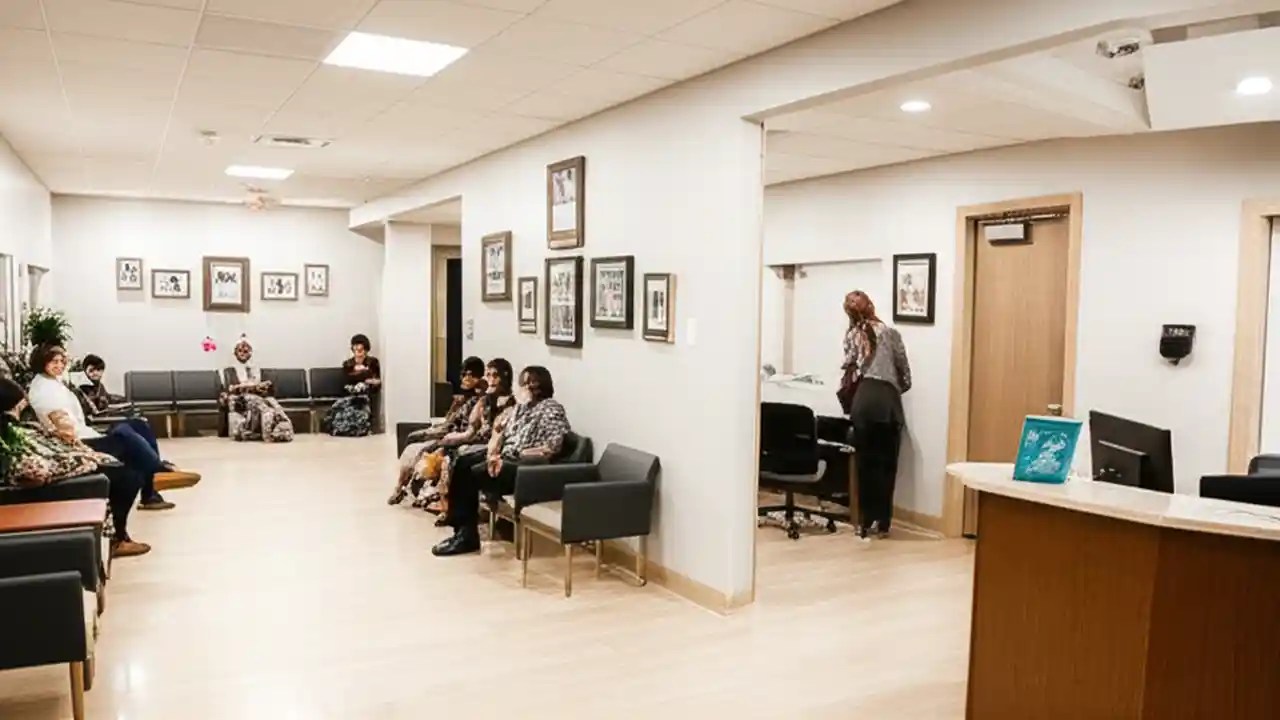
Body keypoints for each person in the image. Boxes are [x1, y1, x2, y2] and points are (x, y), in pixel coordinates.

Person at [26, 344, 200, 512]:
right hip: (79, 442)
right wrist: (81, 446)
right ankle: (155, 473)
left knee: (139, 424)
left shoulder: (55, 382)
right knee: (125, 435)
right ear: (43, 362)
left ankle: (153, 485)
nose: (59, 365)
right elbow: (63, 427)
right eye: (54, 361)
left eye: (61, 361)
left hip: (87, 433)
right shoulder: (43, 389)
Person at [0, 377, 151, 557]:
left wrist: (77, 450)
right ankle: (119, 537)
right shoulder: (8, 437)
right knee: (129, 474)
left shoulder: (17, 428)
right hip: (46, 485)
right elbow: (33, 471)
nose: (20, 410)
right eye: (18, 406)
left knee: (129, 438)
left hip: (68, 459)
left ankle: (154, 474)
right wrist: (82, 463)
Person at [433, 365, 570, 557]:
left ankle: (466, 536)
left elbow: (550, 449)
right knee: (462, 462)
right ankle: (462, 530)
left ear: (536, 386)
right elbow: (500, 432)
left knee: (473, 475)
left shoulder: (551, 409)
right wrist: (493, 453)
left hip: (525, 466)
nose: (522, 387)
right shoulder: (520, 408)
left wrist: (512, 457)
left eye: (526, 384)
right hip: (505, 455)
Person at [842, 291, 912, 540]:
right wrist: (892, 388)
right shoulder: (890, 333)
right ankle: (883, 523)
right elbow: (905, 376)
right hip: (887, 403)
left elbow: (849, 369)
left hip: (862, 402)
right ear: (871, 306)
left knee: (864, 463)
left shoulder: (851, 335)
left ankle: (863, 521)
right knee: (887, 464)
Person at [416, 359, 517, 517]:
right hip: (477, 440)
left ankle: (453, 509)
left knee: (460, 457)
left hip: (495, 446)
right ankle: (445, 502)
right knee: (445, 450)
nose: (490, 380)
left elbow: (498, 435)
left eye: (495, 376)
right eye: (488, 375)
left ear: (505, 379)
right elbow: (471, 429)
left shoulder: (511, 405)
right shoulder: (484, 401)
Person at [388, 356, 487, 505]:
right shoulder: (461, 399)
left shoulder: (482, 400)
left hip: (460, 436)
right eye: (464, 374)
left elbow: (471, 428)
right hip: (448, 431)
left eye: (471, 375)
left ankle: (415, 488)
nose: (466, 379)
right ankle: (402, 486)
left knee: (423, 448)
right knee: (412, 440)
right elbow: (449, 420)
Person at [226, 336, 294, 443]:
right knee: (259, 405)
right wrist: (248, 387)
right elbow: (231, 389)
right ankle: (267, 430)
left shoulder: (255, 368)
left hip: (260, 395)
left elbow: (262, 384)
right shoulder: (231, 370)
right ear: (235, 353)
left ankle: (281, 427)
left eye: (245, 351)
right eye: (239, 351)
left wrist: (262, 386)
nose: (242, 353)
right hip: (243, 398)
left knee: (273, 403)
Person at [326, 334, 381, 436]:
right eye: (356, 350)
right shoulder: (348, 364)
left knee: (364, 397)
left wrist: (364, 381)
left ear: (366, 350)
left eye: (361, 350)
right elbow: (345, 381)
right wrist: (361, 379)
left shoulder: (373, 362)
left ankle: (363, 425)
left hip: (366, 393)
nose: (358, 353)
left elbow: (376, 380)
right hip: (350, 393)